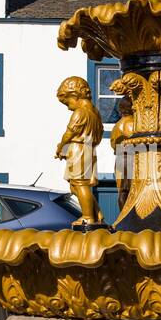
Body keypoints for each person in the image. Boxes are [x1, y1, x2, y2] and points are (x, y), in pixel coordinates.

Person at [55, 76, 104, 225]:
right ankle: (97, 214)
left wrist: (60, 146)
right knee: (75, 186)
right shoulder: (95, 113)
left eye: (67, 103)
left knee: (80, 183)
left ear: (75, 95)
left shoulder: (80, 113)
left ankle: (88, 217)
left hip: (79, 148)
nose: (68, 107)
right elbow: (100, 133)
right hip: (88, 148)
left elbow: (69, 133)